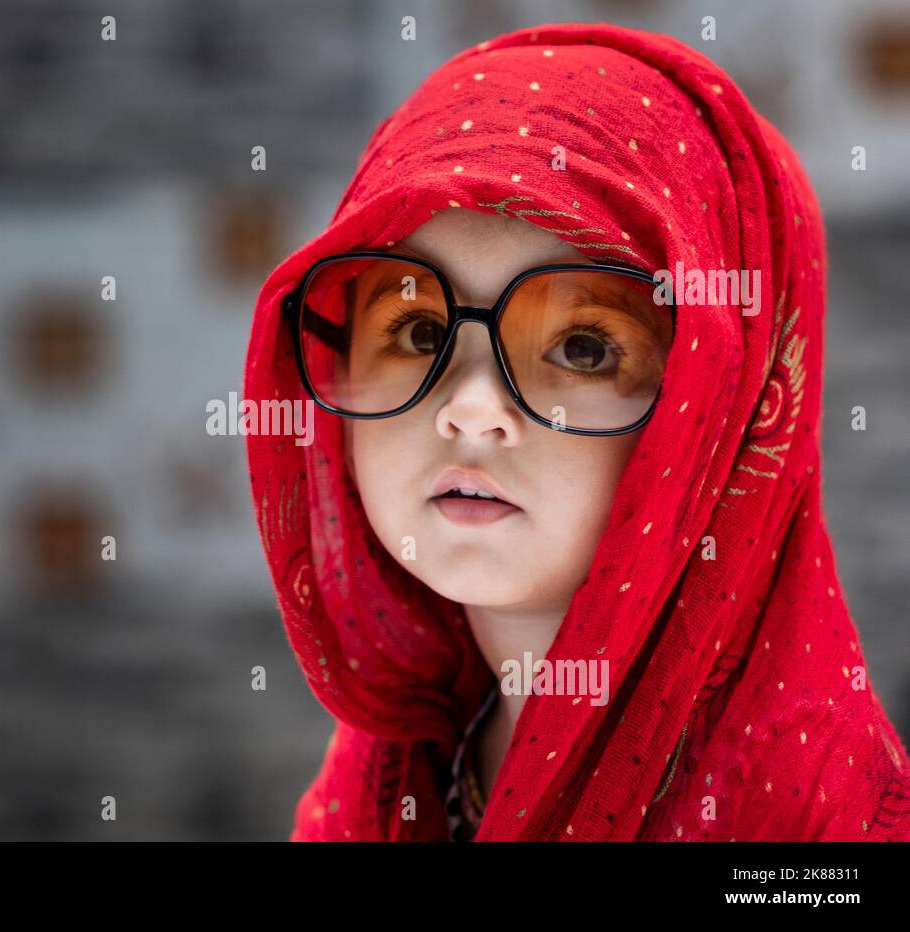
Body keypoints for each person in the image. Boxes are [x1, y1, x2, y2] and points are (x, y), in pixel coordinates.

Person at [242, 22, 910, 841]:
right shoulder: (396, 758)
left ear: (725, 414)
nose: (471, 408)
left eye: (582, 348)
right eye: (418, 334)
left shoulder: (805, 819)